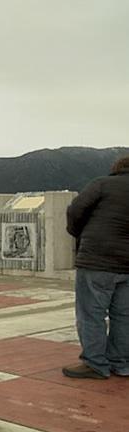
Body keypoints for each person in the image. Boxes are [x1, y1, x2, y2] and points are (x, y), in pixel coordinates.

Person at [62, 155, 129, 379]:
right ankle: (121, 364)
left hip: (97, 259)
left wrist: (80, 233)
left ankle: (95, 363)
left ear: (117, 169)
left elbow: (75, 210)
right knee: (124, 315)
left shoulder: (102, 184)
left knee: (91, 313)